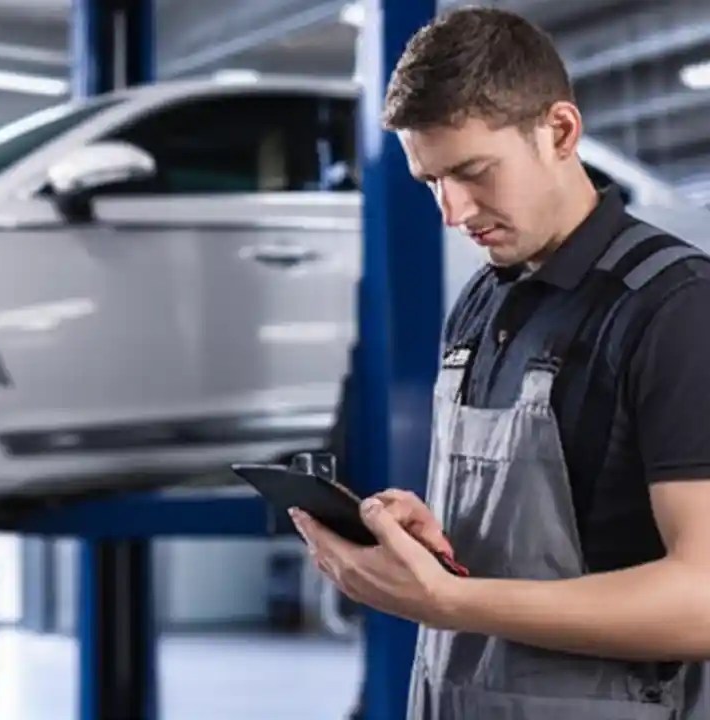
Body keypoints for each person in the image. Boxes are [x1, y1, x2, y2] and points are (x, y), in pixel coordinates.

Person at [288, 6, 710, 719]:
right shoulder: (483, 302)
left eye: (473, 172)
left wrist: (451, 600)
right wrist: (433, 544)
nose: (452, 212)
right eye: (431, 181)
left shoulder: (675, 308)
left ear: (560, 132)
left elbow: (703, 601)